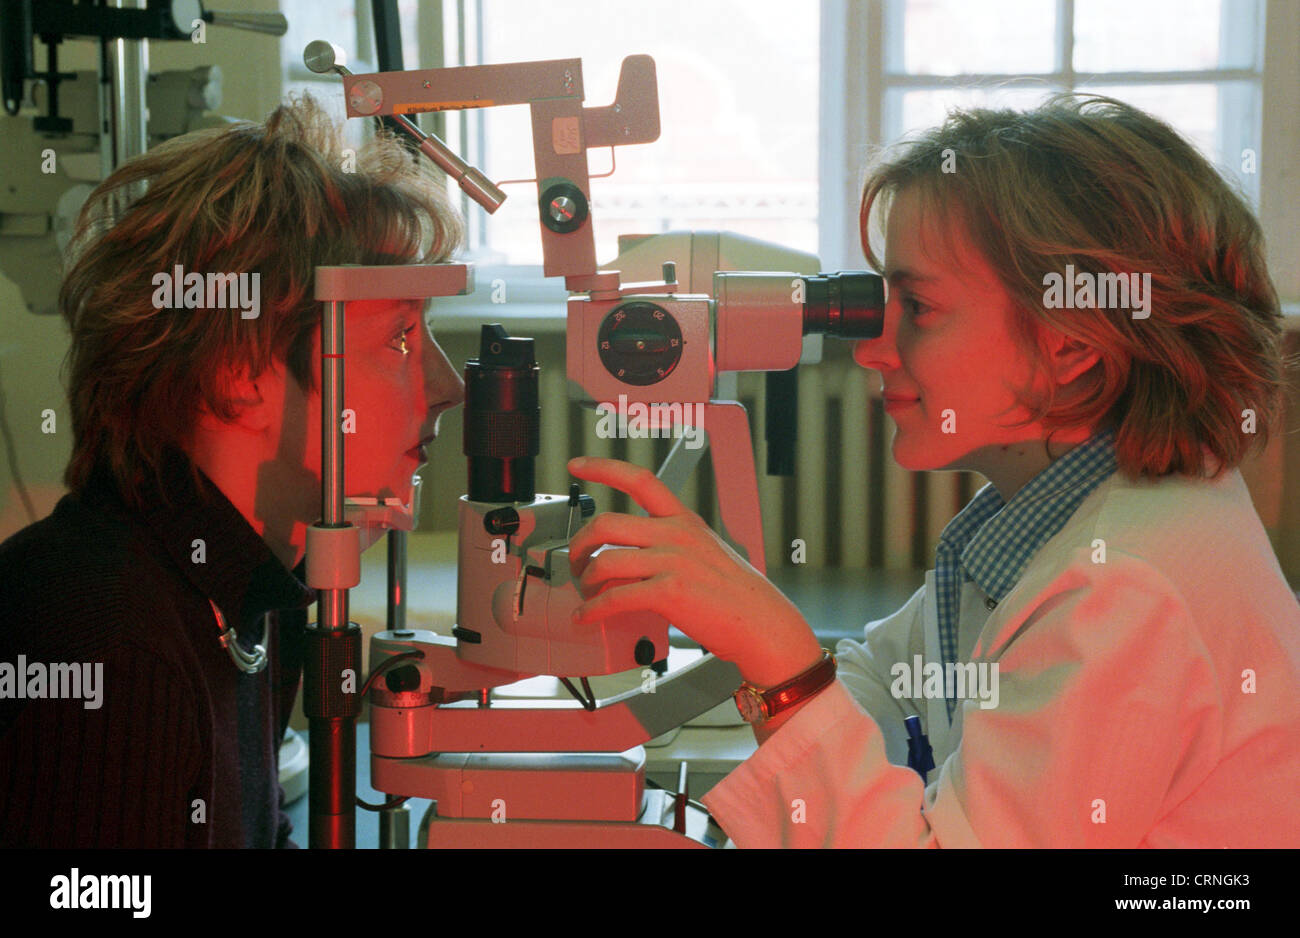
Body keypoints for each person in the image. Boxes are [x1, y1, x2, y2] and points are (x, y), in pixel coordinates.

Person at [565, 94, 1300, 847]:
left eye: (917, 305)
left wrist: (778, 660)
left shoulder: (1121, 593)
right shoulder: (1056, 518)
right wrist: (754, 635)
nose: (873, 350)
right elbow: (887, 681)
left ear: (1072, 346)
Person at [0, 95, 466, 847]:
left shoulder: (246, 593)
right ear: (237, 374)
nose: (450, 387)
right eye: (402, 339)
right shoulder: (118, 654)